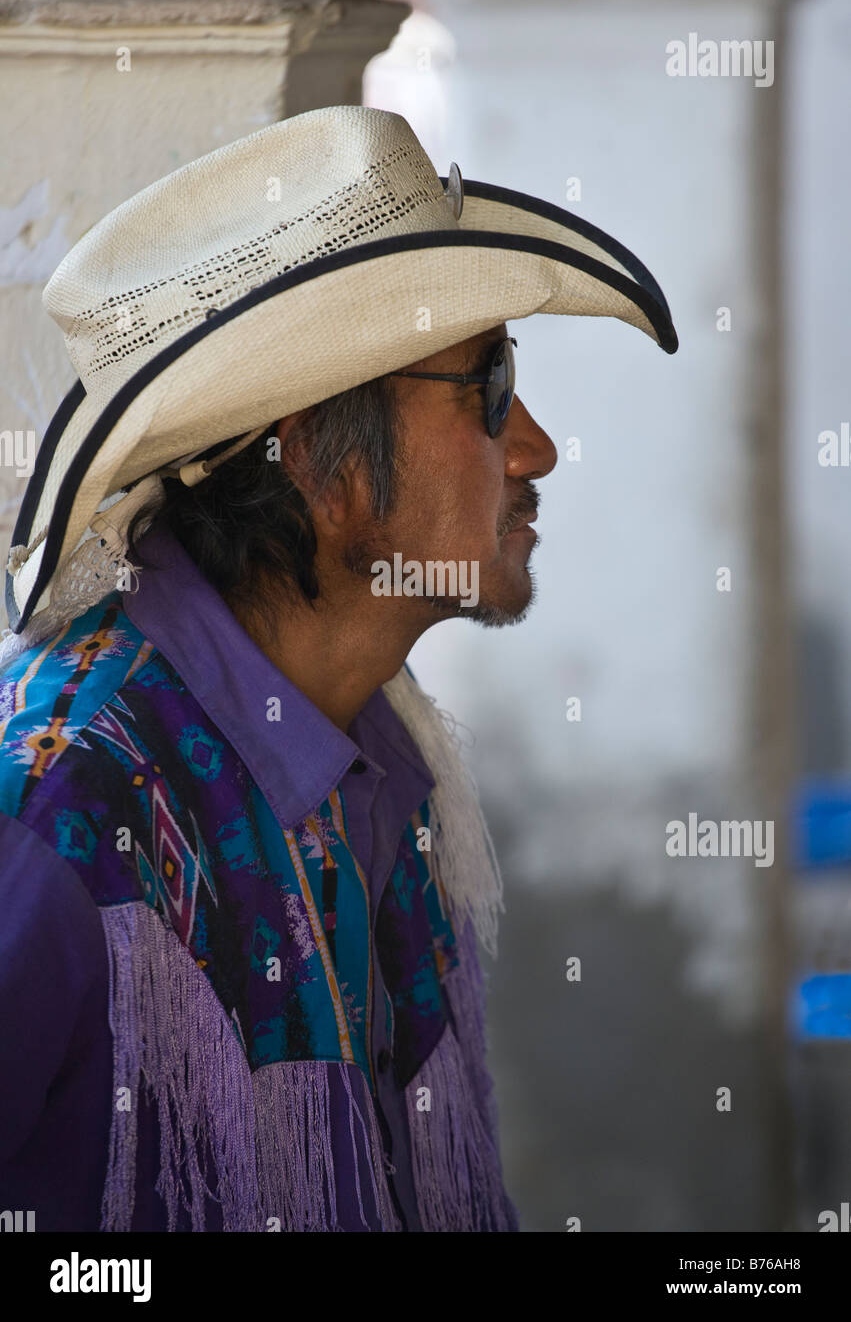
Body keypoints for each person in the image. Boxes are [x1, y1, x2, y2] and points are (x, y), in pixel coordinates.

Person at [0, 105, 677, 1232]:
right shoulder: (58, 809)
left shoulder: (378, 756)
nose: (535, 448)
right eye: (488, 386)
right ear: (316, 454)